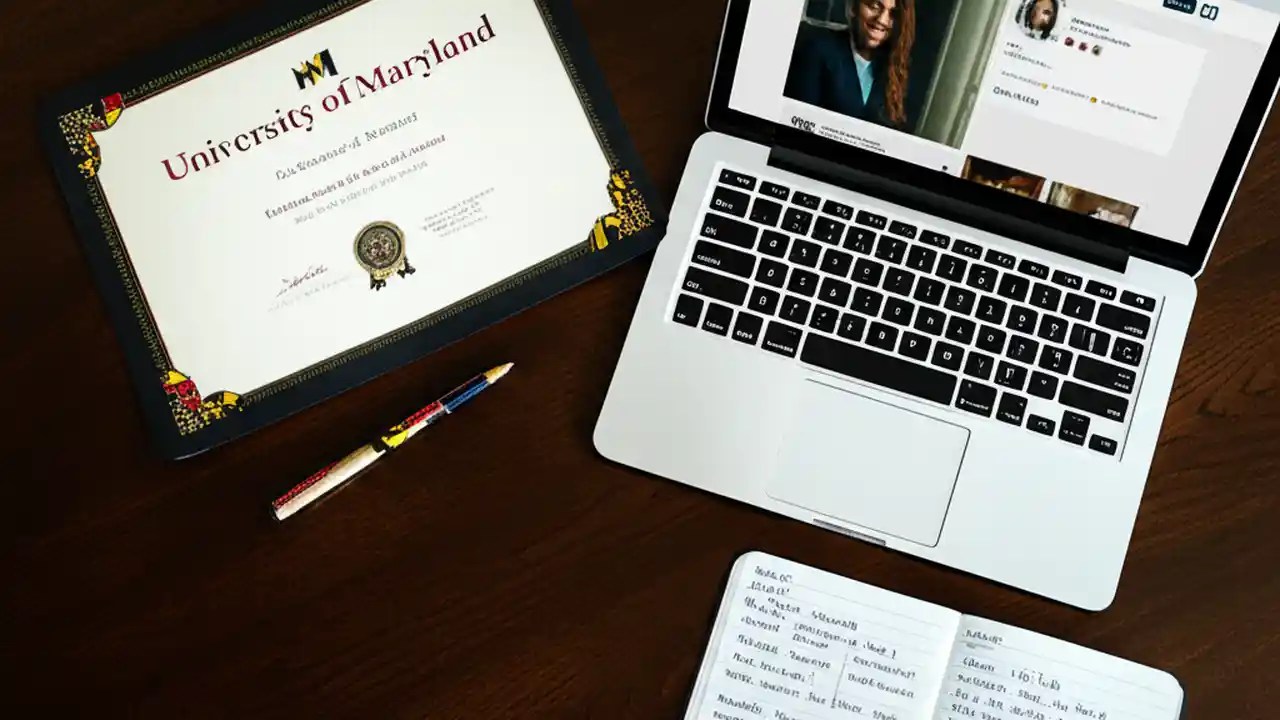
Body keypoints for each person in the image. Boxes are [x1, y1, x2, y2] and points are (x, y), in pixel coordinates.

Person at [784, 0, 917, 131]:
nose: (882, 20)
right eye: (874, 6)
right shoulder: (817, 50)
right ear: (853, 6)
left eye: (893, 13)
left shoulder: (896, 71)